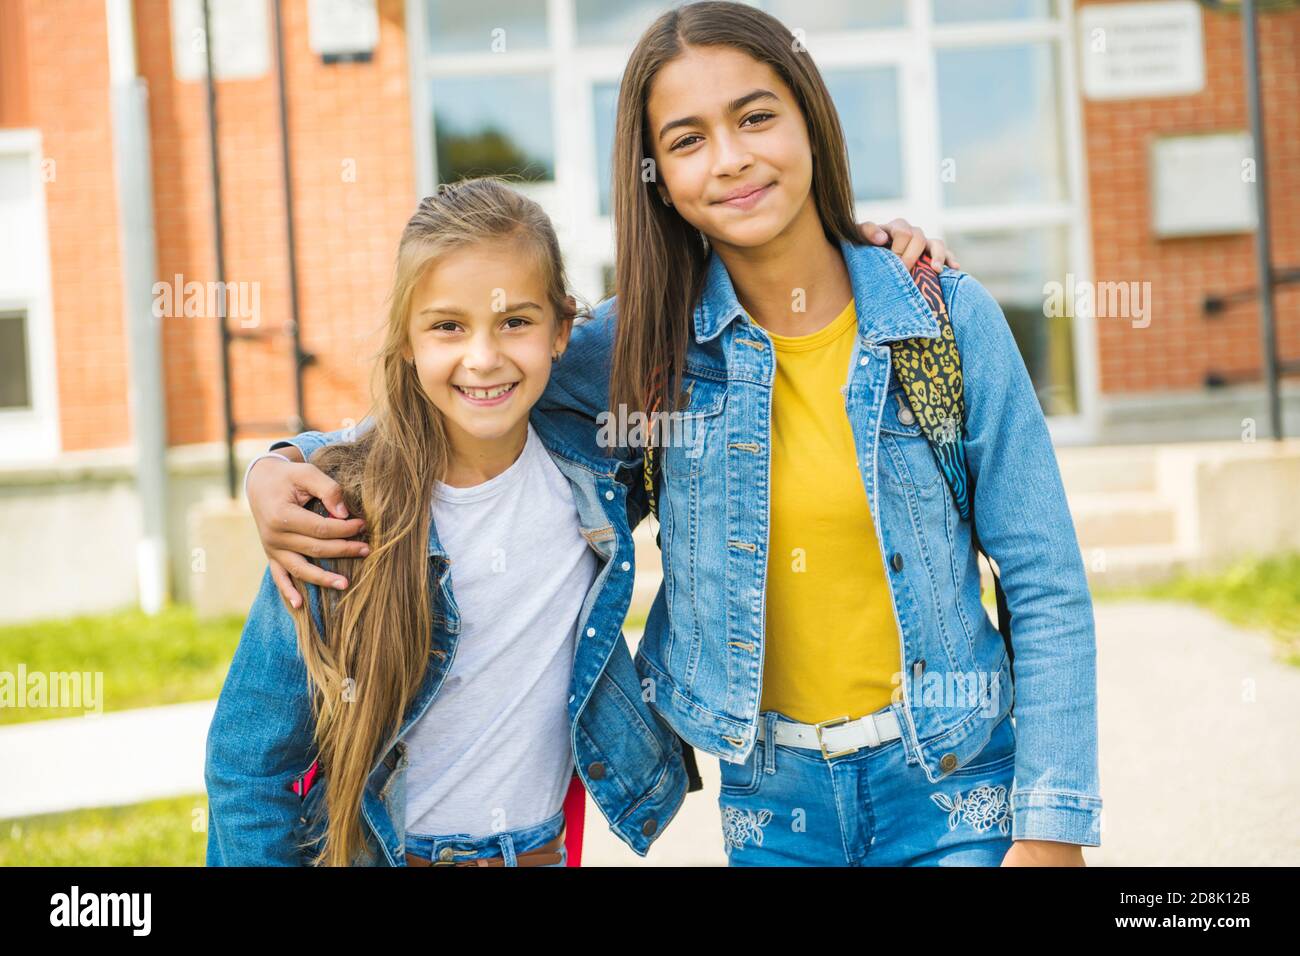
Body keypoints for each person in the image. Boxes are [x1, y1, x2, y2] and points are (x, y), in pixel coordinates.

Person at [205, 178, 692, 866]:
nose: (484, 357)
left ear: (562, 330)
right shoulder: (337, 520)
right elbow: (248, 765)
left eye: (515, 322)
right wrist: (273, 464)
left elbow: (691, 285)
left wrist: (863, 248)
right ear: (407, 340)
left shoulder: (592, 469)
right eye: (447, 326)